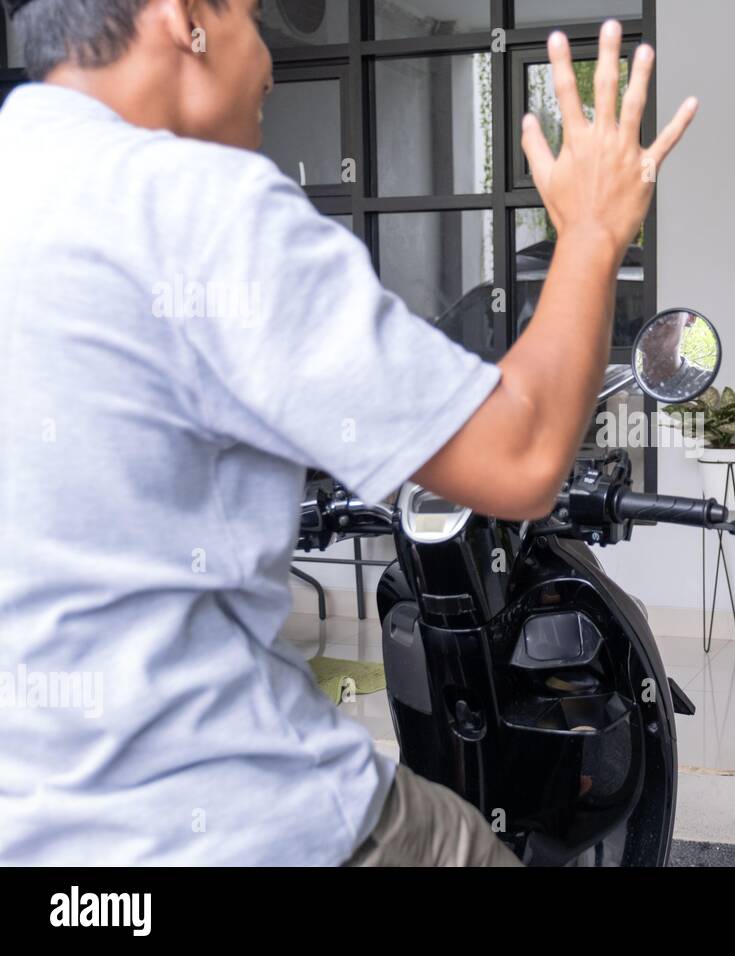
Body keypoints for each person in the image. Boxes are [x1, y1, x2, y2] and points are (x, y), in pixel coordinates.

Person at [0, 0, 696, 865]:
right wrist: (592, 232)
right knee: (458, 845)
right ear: (186, 18)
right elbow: (518, 456)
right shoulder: (196, 204)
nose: (270, 64)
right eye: (255, 18)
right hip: (227, 820)